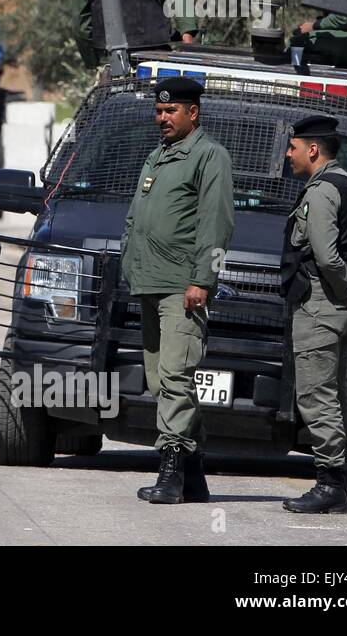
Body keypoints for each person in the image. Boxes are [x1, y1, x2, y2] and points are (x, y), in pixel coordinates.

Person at [122, 76, 234, 504]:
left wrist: (202, 280)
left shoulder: (209, 156)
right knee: (159, 379)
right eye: (159, 110)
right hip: (150, 283)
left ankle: (170, 476)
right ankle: (194, 475)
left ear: (193, 113)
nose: (162, 117)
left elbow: (216, 224)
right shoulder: (158, 156)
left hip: (181, 287)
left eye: (171, 111)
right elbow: (137, 217)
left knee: (175, 378)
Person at [280, 115, 347, 514]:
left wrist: (346, 289)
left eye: (293, 147)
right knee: (334, 394)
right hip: (343, 308)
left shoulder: (321, 192)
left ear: (313, 150)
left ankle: (330, 484)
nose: (288, 154)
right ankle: (337, 482)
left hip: (323, 306)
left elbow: (325, 254)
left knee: (315, 395)